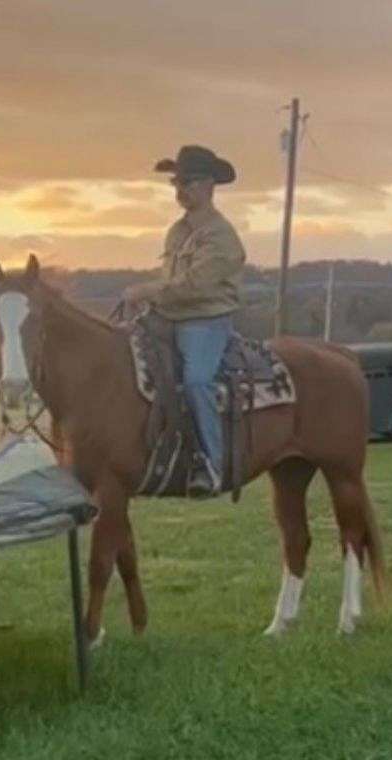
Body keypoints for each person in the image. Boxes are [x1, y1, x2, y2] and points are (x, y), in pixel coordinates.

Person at [120, 145, 246, 497]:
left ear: (209, 185)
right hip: (168, 316)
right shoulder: (177, 232)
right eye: (177, 184)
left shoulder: (221, 236)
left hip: (205, 320)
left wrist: (147, 290)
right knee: (121, 356)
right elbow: (172, 283)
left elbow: (195, 286)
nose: (180, 191)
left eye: (188, 183)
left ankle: (212, 464)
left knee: (196, 380)